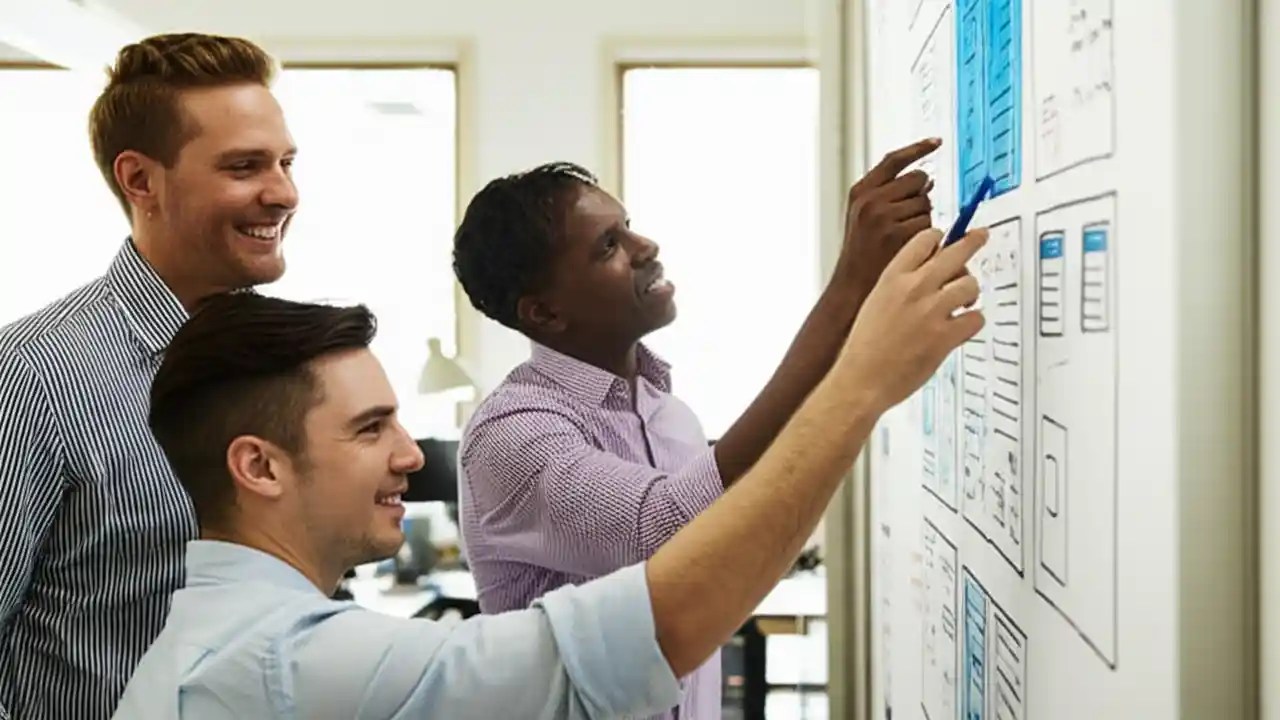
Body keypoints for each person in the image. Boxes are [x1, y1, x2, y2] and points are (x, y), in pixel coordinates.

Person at [112, 226, 985, 718]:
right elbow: (658, 613)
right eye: (370, 429)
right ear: (259, 466)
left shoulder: (215, 634)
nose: (413, 458)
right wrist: (862, 382)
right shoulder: (282, 663)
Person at [450, 140, 940, 716]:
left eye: (627, 227)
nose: (645, 247)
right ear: (545, 313)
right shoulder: (510, 435)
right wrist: (849, 288)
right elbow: (664, 535)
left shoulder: (668, 414)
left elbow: (730, 542)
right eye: (609, 245)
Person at [0, 33, 298, 718]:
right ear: (140, 181)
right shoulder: (32, 377)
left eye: (285, 162)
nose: (282, 193)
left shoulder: (294, 361)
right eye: (245, 166)